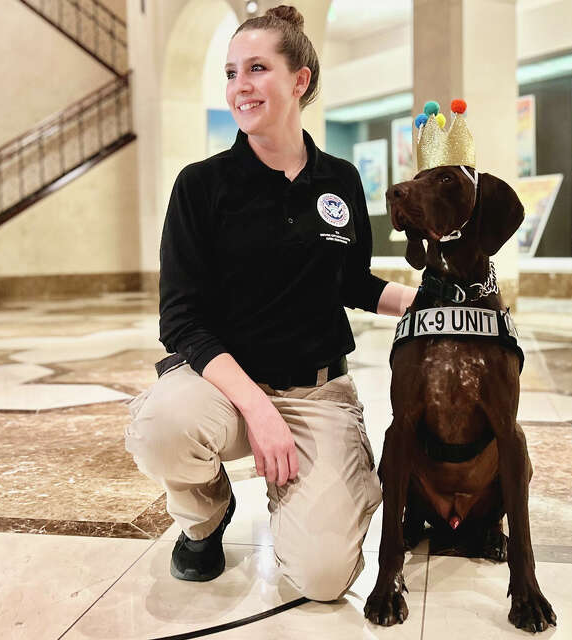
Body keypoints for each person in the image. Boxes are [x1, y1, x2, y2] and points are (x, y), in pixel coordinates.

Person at [125, 5, 417, 601]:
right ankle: (205, 516)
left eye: (257, 68)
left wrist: (429, 301)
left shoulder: (340, 180)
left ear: (299, 80)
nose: (241, 86)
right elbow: (180, 319)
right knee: (162, 428)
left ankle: (302, 497)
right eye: (231, 72)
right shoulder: (201, 185)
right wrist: (258, 410)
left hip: (317, 390)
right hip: (223, 389)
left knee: (324, 578)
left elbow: (350, 282)